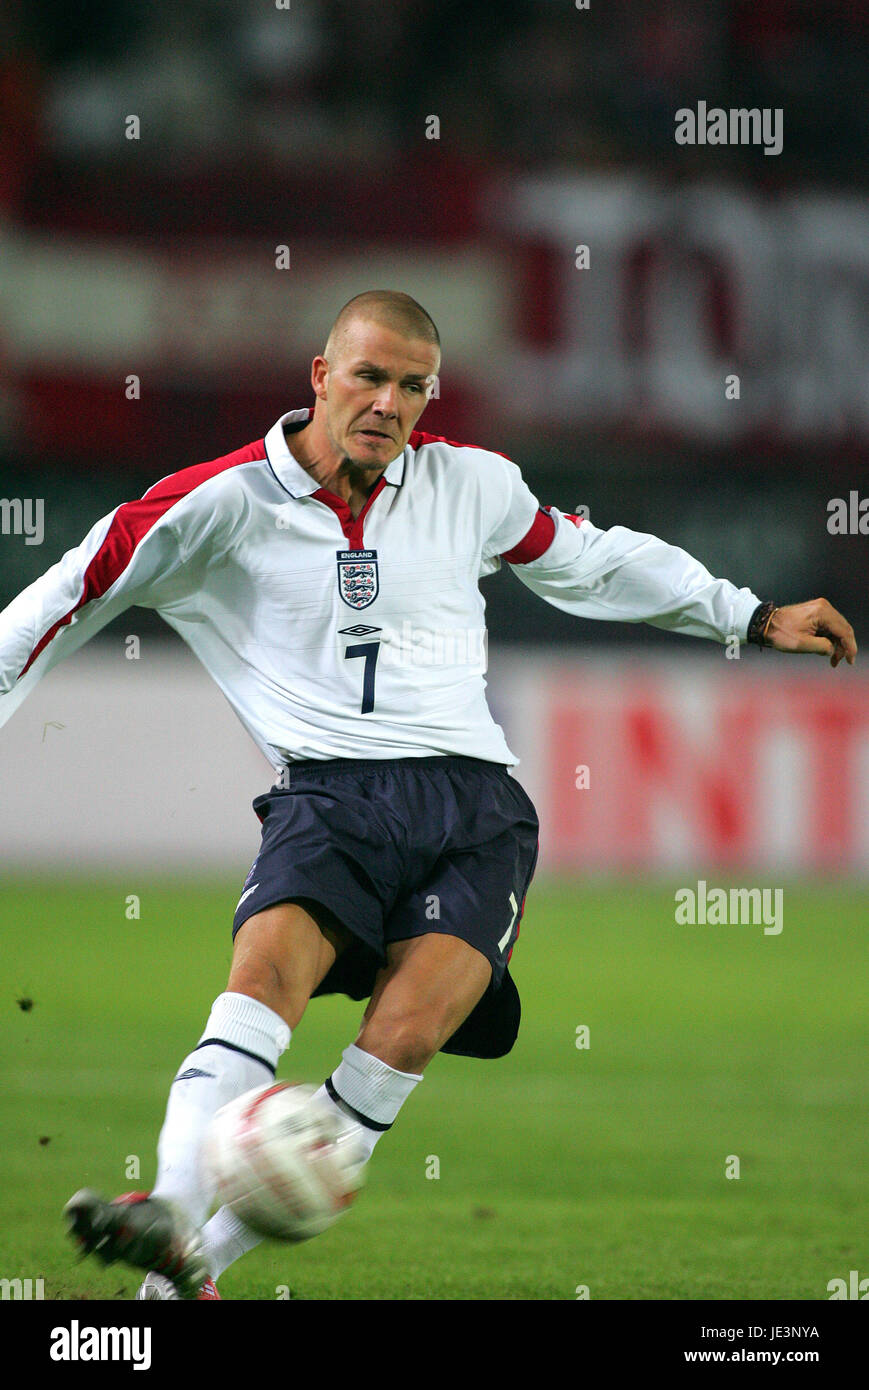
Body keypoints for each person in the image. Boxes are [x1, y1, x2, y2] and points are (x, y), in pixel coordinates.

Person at [0, 290, 857, 1299]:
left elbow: (590, 564)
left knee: (397, 1042)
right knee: (262, 982)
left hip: (475, 813)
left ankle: (181, 1275)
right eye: (368, 375)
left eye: (413, 385)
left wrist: (746, 615)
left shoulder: (472, 484)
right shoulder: (218, 503)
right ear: (320, 376)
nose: (388, 403)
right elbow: (69, 590)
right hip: (329, 797)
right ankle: (173, 1209)